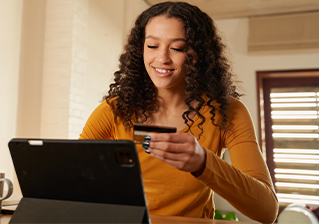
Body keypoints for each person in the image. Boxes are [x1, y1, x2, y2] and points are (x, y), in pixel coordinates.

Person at [79, 1, 278, 223]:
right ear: (140, 50)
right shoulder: (114, 111)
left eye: (177, 48)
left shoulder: (228, 112)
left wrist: (204, 163)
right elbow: (72, 178)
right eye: (152, 46)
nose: (162, 58)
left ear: (198, 54)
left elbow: (267, 211)